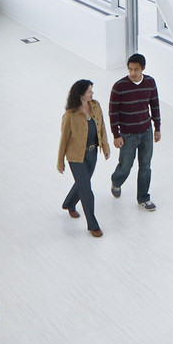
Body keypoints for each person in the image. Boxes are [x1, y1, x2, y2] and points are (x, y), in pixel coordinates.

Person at [108, 53, 163, 211]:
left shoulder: (150, 82)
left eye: (136, 69)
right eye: (130, 69)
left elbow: (155, 105)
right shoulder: (119, 86)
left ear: (143, 69)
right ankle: (116, 181)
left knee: (145, 166)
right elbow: (113, 113)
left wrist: (157, 127)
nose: (132, 73)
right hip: (127, 134)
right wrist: (116, 135)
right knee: (126, 165)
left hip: (146, 132)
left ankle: (143, 198)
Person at [56, 78, 110, 237]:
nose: (92, 93)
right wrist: (60, 161)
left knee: (82, 182)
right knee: (86, 190)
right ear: (80, 94)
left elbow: (102, 127)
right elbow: (63, 140)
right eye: (89, 91)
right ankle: (93, 225)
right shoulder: (70, 115)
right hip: (76, 156)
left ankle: (69, 203)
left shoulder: (95, 106)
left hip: (92, 154)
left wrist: (105, 146)